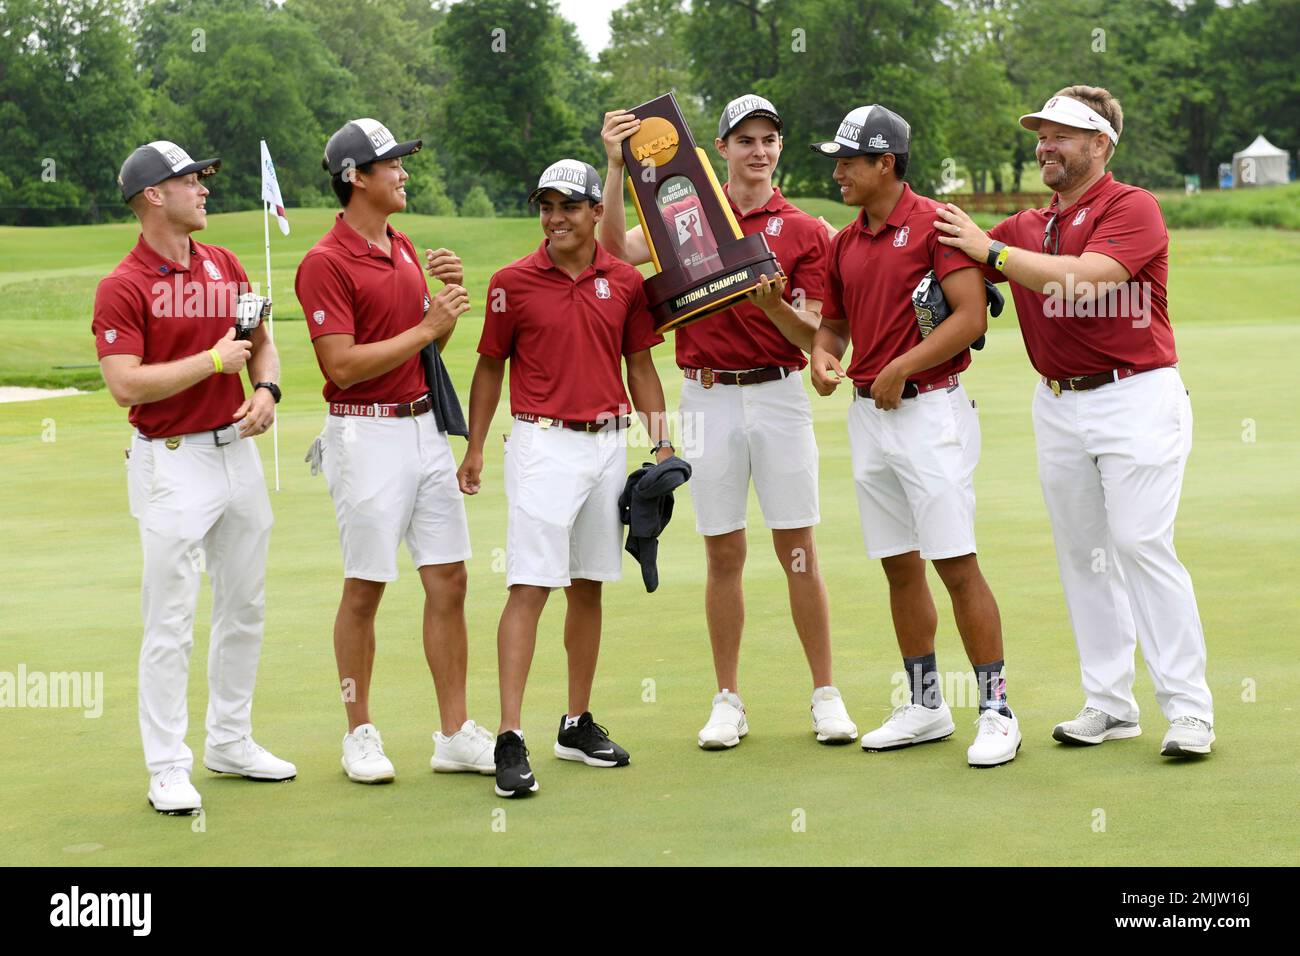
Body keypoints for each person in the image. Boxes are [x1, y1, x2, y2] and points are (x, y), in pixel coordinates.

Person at [933, 86, 1214, 757]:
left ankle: (1189, 709)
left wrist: (989, 255)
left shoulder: (1132, 207)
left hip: (1136, 394)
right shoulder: (1028, 225)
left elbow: (1083, 280)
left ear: (1100, 144)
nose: (1045, 145)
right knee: (1083, 556)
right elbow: (938, 250)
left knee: (1140, 542)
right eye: (1040, 134)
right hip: (1057, 403)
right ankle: (1111, 704)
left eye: (1061, 134)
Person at [598, 94, 858, 750]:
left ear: (779, 149)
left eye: (769, 139)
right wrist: (614, 169)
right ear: (720, 149)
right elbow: (613, 250)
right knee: (723, 551)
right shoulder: (684, 209)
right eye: (745, 140)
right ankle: (727, 699)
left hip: (778, 394)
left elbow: (817, 341)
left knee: (797, 548)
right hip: (706, 395)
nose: (759, 151)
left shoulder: (805, 230)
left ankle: (825, 694)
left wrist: (772, 306)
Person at [808, 105, 1020, 767]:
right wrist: (821, 354)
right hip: (869, 417)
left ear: (886, 164)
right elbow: (835, 326)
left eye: (849, 161)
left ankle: (997, 709)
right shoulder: (845, 242)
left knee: (955, 563)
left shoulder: (937, 225)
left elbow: (966, 318)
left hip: (931, 413)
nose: (838, 172)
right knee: (899, 565)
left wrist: (901, 364)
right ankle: (926, 704)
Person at [459, 159, 676, 798]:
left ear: (593, 214)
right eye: (545, 208)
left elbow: (639, 365)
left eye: (568, 208)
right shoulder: (511, 283)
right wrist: (474, 449)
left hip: (608, 446)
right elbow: (489, 368)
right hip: (541, 444)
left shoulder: (624, 281)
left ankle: (575, 724)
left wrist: (661, 439)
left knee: (589, 587)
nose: (555, 219)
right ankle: (509, 736)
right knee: (530, 586)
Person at [94, 140, 296, 814]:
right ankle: (166, 767)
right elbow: (126, 385)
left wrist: (265, 387)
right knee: (171, 618)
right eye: (192, 180)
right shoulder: (123, 286)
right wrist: (212, 363)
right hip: (173, 459)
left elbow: (260, 335)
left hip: (237, 450)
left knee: (245, 605)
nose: (206, 189)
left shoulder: (225, 262)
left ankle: (231, 741)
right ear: (154, 194)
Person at [295, 118, 493, 784]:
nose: (404, 173)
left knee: (450, 578)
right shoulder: (325, 262)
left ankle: (453, 733)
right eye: (392, 164)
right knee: (366, 589)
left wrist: (445, 312)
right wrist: (429, 325)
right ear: (355, 177)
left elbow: (424, 349)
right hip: (363, 432)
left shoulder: (403, 246)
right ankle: (360, 733)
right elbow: (344, 365)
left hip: (422, 429)